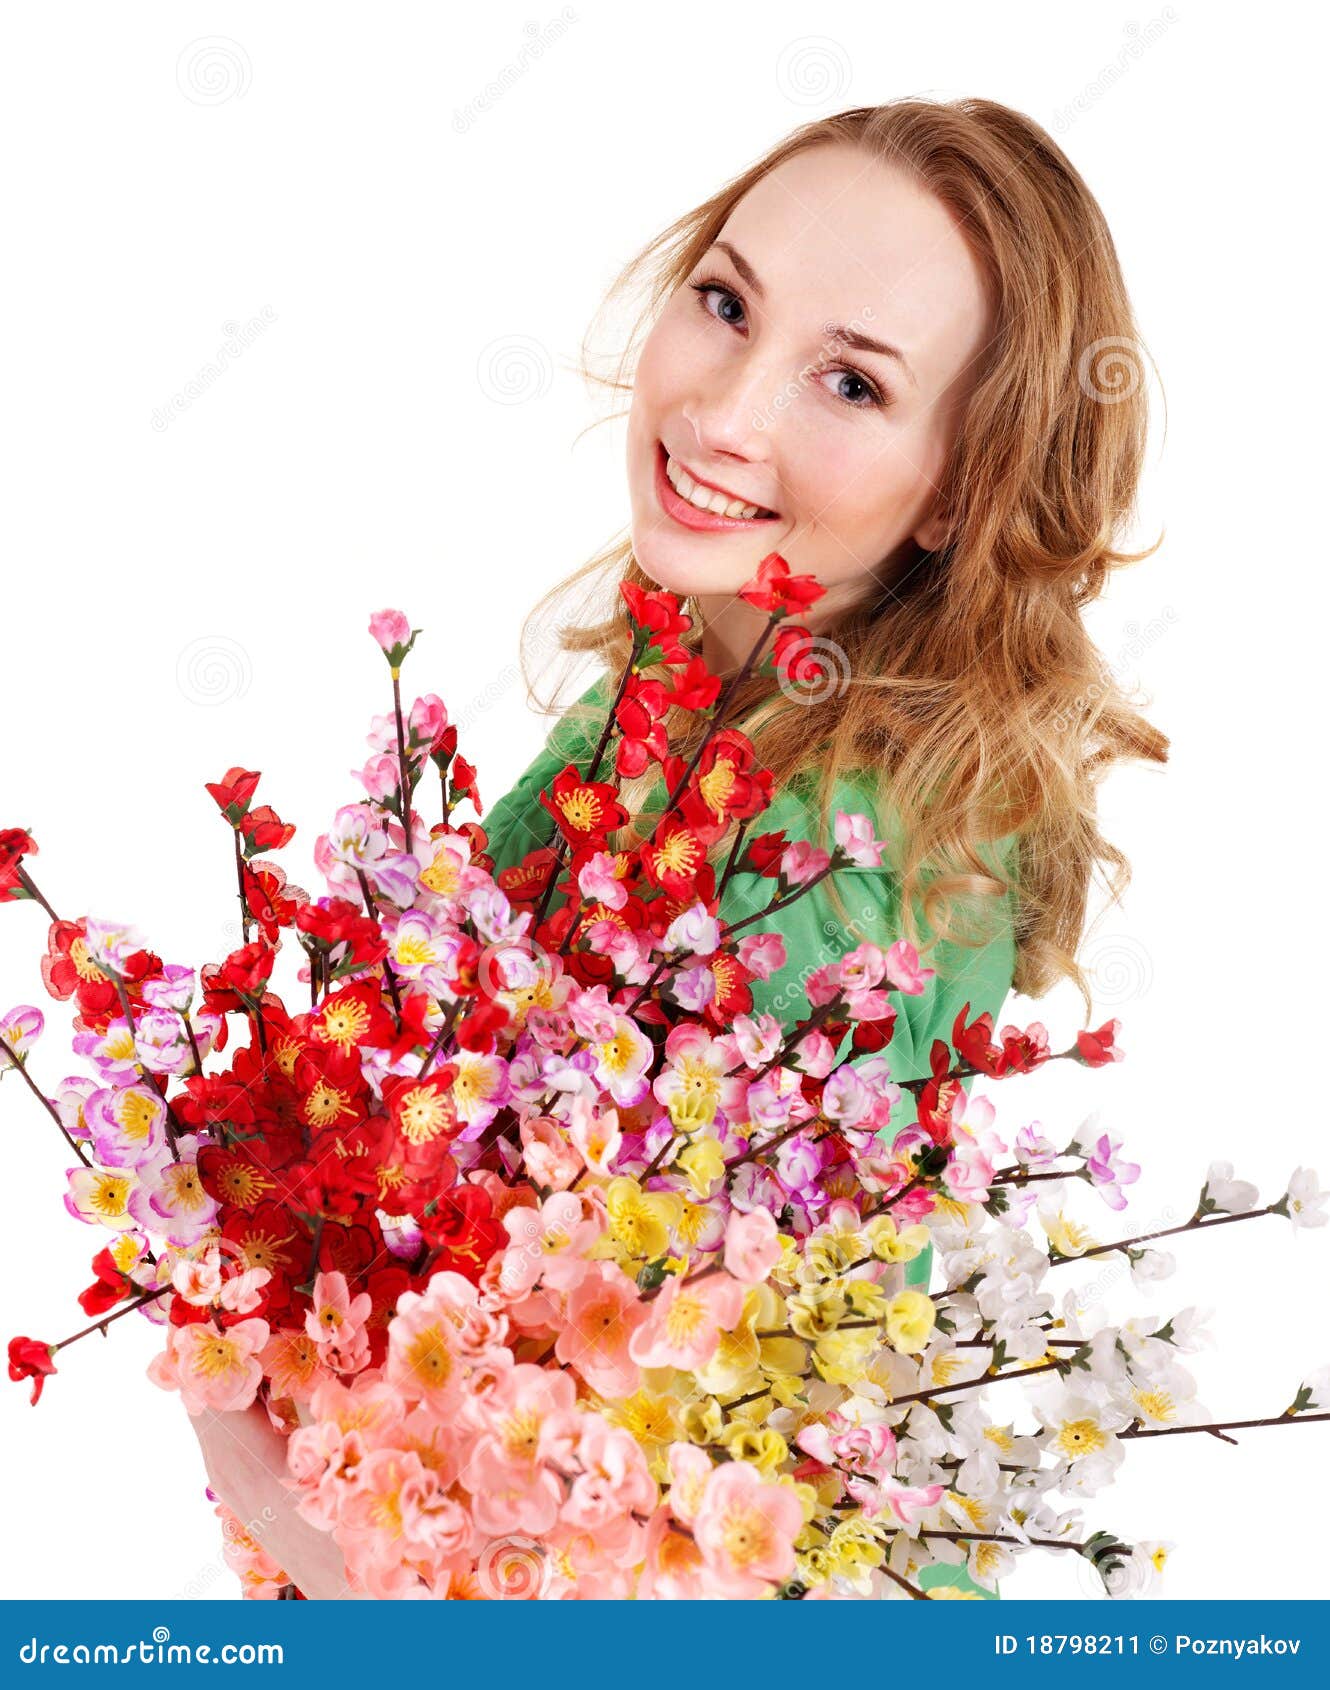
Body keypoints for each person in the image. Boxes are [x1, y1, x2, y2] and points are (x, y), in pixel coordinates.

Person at [191, 95, 1168, 1601]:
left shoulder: (832, 882)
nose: (723, 413)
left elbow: (679, 1586)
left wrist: (259, 1459)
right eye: (724, 304)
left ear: (964, 485)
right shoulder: (673, 686)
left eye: (848, 382)